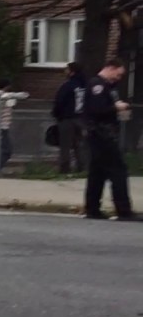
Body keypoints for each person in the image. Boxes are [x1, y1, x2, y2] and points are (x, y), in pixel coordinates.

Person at [81, 57, 138, 221]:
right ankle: (123, 210)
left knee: (97, 173)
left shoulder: (108, 87)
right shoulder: (97, 85)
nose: (118, 78)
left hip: (101, 134)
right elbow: (97, 110)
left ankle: (92, 208)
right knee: (118, 170)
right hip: (101, 134)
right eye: (118, 74)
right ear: (111, 68)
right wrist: (116, 107)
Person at [51, 61, 87, 174]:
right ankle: (82, 167)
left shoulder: (68, 85)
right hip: (81, 118)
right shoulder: (85, 85)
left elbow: (59, 101)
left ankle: (65, 169)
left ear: (72, 72)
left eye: (67, 69)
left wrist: (56, 114)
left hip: (67, 118)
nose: (65, 71)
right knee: (79, 145)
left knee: (65, 145)